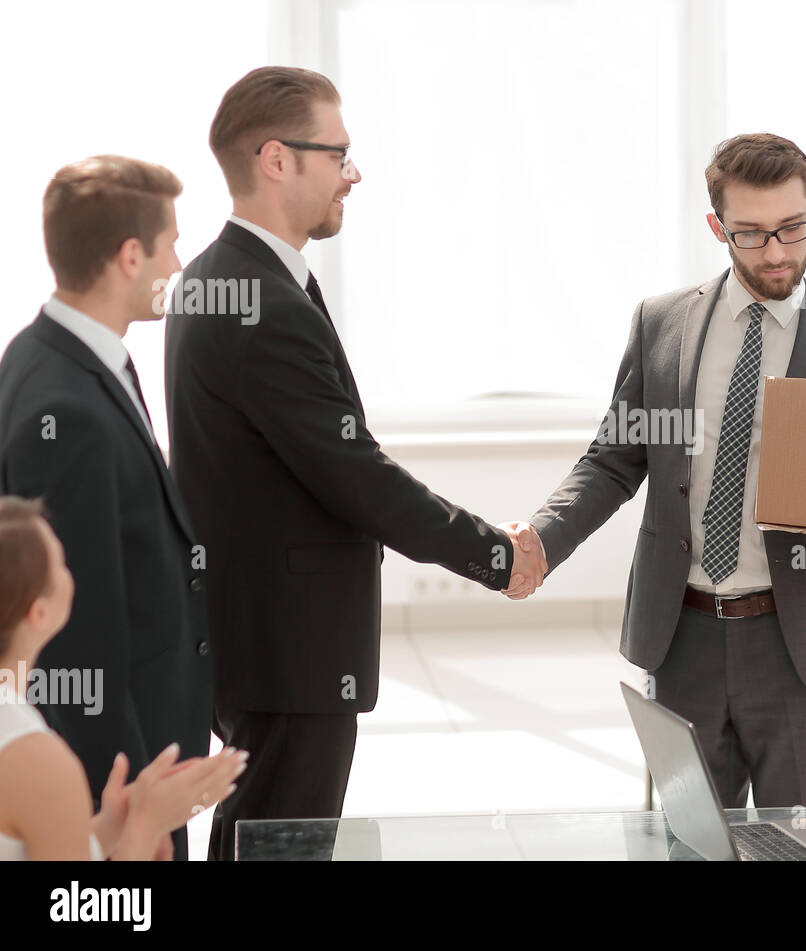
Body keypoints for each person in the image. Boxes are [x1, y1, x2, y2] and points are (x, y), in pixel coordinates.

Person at [507, 133, 806, 808]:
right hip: (683, 639)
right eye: (752, 235)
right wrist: (543, 539)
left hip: (799, 652)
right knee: (689, 844)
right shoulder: (662, 324)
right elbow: (615, 457)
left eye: (793, 228)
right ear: (716, 227)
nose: (778, 252)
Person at [163, 66, 545, 862]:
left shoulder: (222, 280)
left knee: (254, 840)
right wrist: (495, 553)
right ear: (276, 160)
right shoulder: (259, 301)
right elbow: (355, 474)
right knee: (279, 850)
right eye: (338, 153)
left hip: (253, 642)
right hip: (289, 656)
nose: (353, 172)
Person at [0, 155, 213, 860]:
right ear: (130, 256)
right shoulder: (66, 406)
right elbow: (76, 631)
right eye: (171, 243)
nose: (179, 261)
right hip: (122, 774)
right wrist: (125, 804)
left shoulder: (48, 355)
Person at [0, 497, 246, 860]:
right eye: (62, 564)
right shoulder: (40, 762)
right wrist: (147, 827)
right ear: (39, 612)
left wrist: (114, 824)